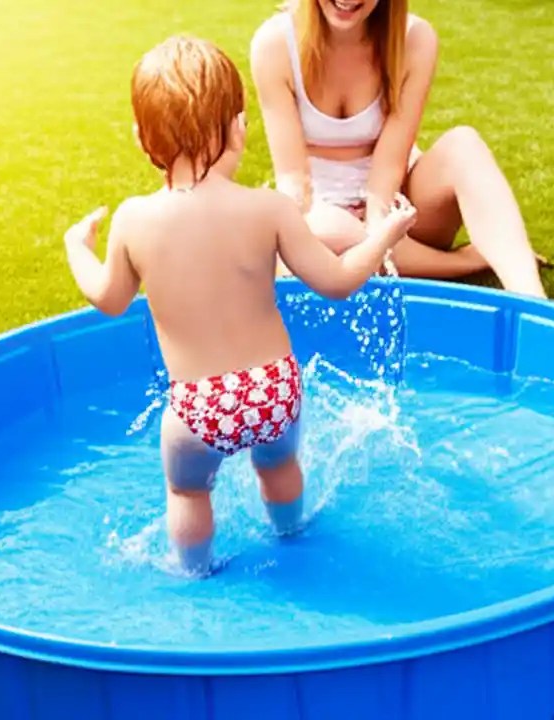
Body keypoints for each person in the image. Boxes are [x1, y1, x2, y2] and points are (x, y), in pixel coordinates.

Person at [62, 35, 418, 576]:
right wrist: (385, 233)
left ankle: (193, 571)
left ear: (141, 138)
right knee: (279, 466)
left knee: (187, 493)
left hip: (200, 406)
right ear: (237, 127)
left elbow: (110, 300)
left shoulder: (134, 221)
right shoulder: (268, 208)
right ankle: (291, 529)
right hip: (274, 389)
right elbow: (340, 280)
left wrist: (76, 249)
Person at [250, 0, 548, 297]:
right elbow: (293, 178)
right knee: (329, 229)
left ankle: (534, 302)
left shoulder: (415, 39)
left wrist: (381, 228)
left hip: (397, 210)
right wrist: (295, 240)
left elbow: (389, 167)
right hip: (321, 218)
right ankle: (465, 261)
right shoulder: (274, 45)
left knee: (464, 144)